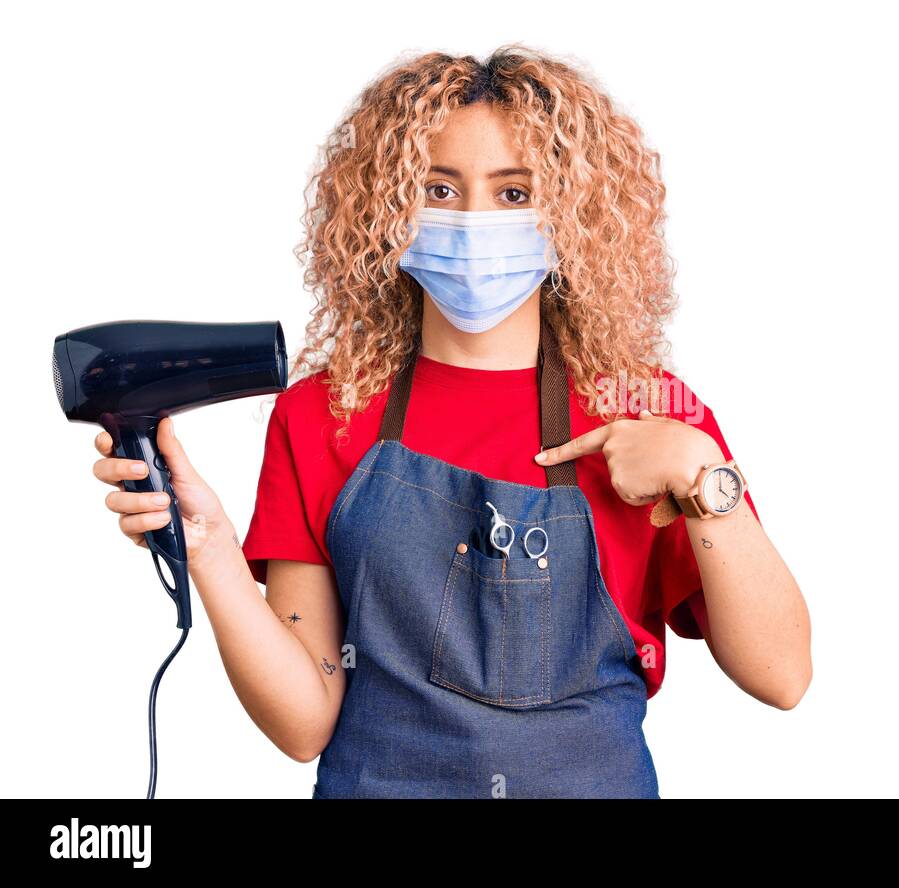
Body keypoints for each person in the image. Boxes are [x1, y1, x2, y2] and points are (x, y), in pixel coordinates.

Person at [91, 44, 811, 798]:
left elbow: (783, 674)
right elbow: (303, 725)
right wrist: (207, 549)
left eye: (512, 193)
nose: (473, 222)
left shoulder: (648, 412)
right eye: (439, 188)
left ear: (571, 214)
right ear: (388, 210)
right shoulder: (323, 415)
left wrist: (700, 474)